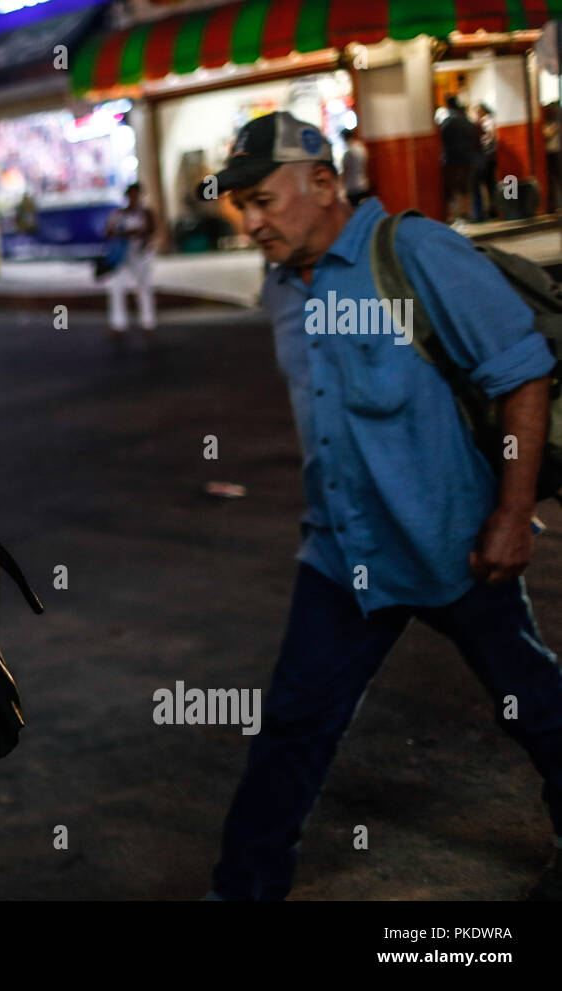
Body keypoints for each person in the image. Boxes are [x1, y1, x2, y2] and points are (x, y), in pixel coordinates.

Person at [196, 111, 562, 901]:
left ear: (324, 183)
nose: (250, 222)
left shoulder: (417, 252)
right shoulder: (283, 284)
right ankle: (242, 892)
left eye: (263, 201)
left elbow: (522, 370)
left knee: (531, 703)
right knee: (293, 726)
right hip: (342, 553)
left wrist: (510, 513)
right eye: (240, 207)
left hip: (453, 543)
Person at [102, 182, 158, 347]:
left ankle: (148, 322)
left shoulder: (146, 213)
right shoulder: (119, 214)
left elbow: (152, 230)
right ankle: (118, 323)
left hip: (141, 255)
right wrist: (122, 233)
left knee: (144, 288)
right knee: (116, 287)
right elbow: (108, 231)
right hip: (123, 256)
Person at [440, 96, 482, 224]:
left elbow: (442, 139)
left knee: (451, 189)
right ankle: (467, 213)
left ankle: (452, 215)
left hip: (452, 159)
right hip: (468, 158)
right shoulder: (467, 122)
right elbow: (476, 139)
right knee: (466, 187)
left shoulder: (447, 122)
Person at [472, 103, 498, 221]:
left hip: (487, 157)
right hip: (489, 158)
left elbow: (490, 137)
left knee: (487, 185)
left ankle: (491, 210)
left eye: (477, 111)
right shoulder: (488, 121)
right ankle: (493, 209)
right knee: (490, 185)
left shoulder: (486, 122)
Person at [340, 128, 371, 207]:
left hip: (352, 188)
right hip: (363, 185)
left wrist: (342, 188)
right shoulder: (362, 148)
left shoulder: (348, 153)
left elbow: (345, 171)